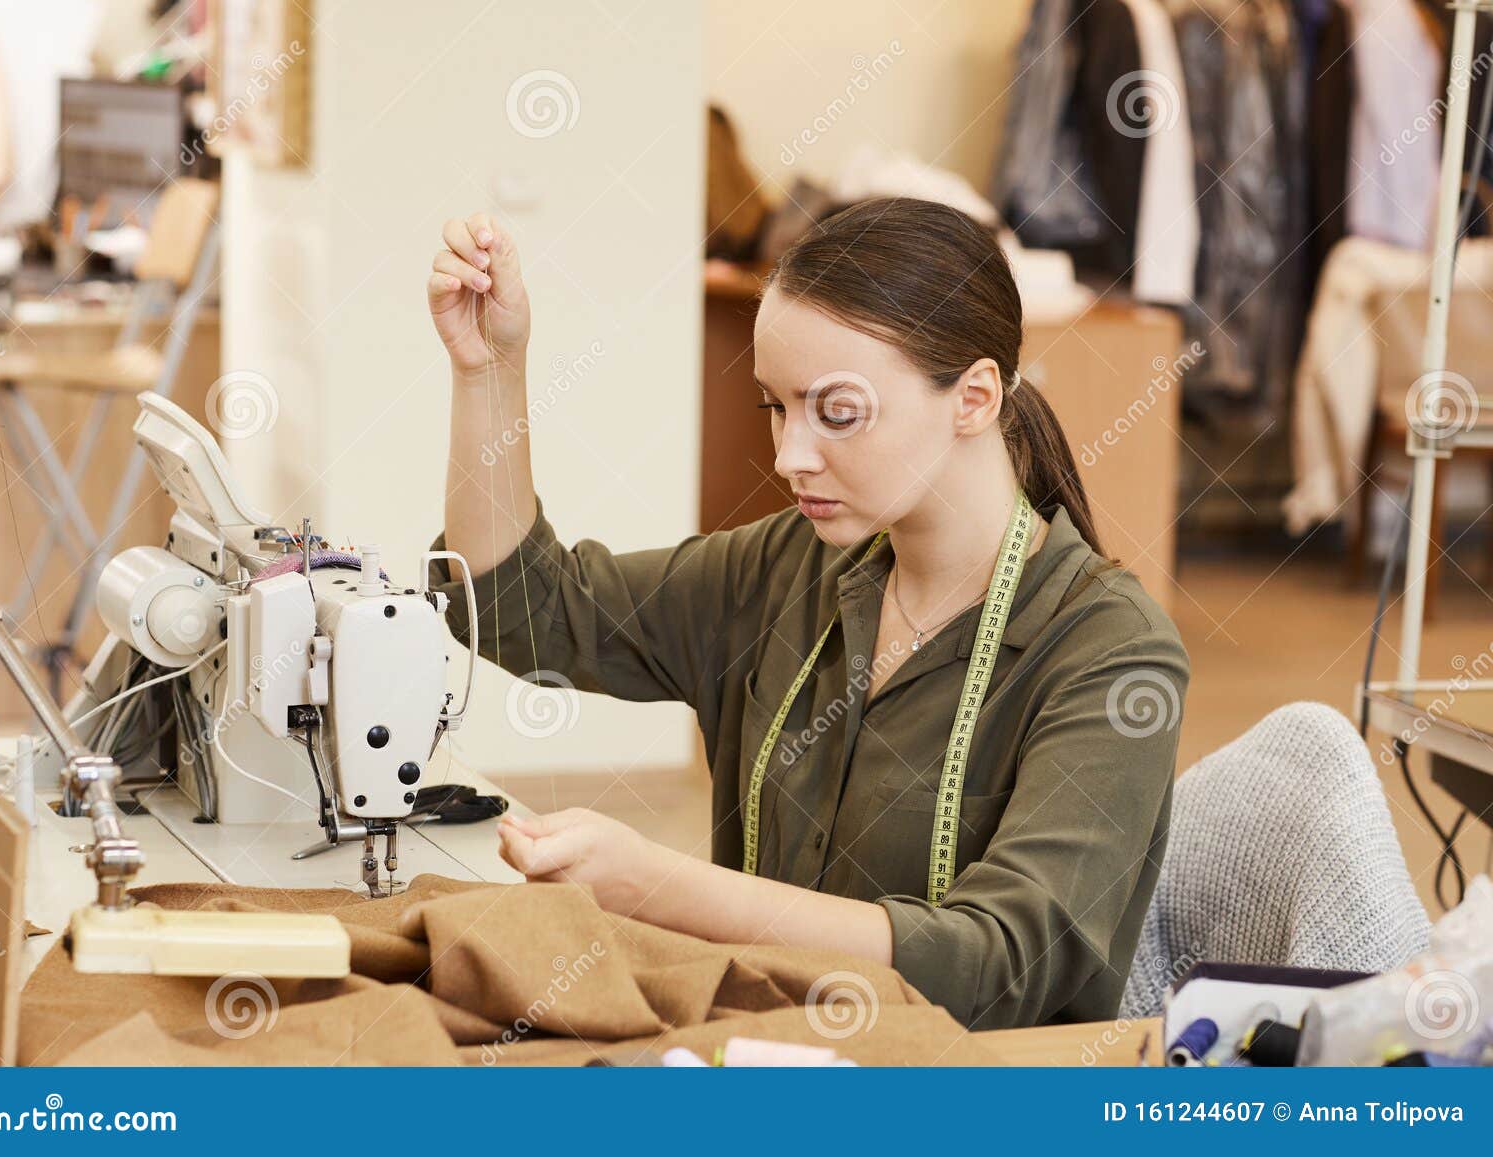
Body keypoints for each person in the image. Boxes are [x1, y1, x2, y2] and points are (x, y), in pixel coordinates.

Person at [424, 196, 1190, 1029]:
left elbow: (1001, 963)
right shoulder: (789, 567)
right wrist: (488, 371)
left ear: (973, 398)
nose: (790, 456)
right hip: (766, 1052)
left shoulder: (1110, 651)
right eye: (776, 407)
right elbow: (517, 606)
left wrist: (658, 885)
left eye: (837, 412)